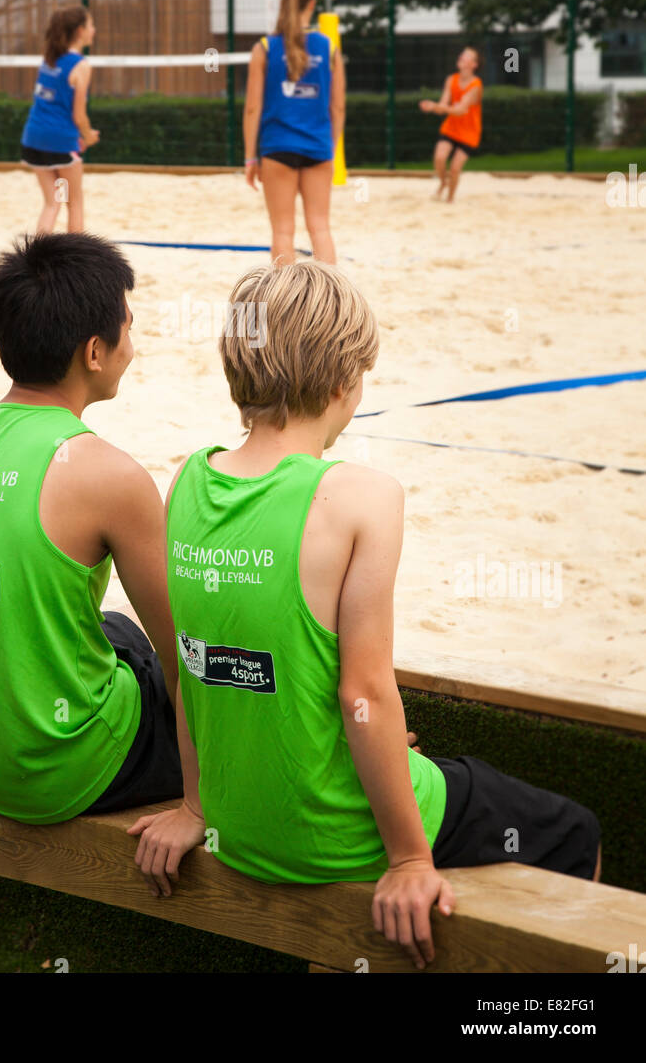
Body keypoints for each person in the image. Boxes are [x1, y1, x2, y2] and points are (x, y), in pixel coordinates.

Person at [129, 260, 602, 969]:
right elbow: (365, 692)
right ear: (344, 381)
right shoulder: (362, 496)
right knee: (574, 830)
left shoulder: (190, 480)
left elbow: (194, 666)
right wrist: (409, 858)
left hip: (238, 823)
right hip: (330, 834)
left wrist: (198, 809)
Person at [0, 232, 194, 824]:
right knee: (176, 662)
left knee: (114, 628)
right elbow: (190, 654)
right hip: (69, 766)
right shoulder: (109, 474)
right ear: (94, 352)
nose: (132, 348)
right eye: (129, 328)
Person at [243, 0, 345, 265]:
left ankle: (286, 306)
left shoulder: (264, 48)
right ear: (312, 4)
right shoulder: (329, 48)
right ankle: (329, 303)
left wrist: (250, 158)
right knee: (320, 228)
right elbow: (337, 109)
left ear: (282, 4)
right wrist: (330, 147)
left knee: (282, 232)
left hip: (278, 147)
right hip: (318, 146)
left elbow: (252, 108)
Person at [21, 6, 100, 234]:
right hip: (60, 140)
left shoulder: (49, 60)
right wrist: (88, 135)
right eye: (91, 25)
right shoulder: (81, 65)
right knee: (74, 203)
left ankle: (36, 263)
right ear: (80, 30)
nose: (93, 30)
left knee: (52, 202)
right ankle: (76, 266)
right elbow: (78, 115)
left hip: (33, 138)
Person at [419, 46, 483, 202]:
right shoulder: (451, 79)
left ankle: (450, 198)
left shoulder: (476, 86)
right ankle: (442, 184)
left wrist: (436, 107)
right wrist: (434, 107)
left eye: (467, 56)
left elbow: (460, 110)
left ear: (474, 65)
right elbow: (443, 108)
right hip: (451, 128)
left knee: (455, 168)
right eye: (462, 54)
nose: (462, 56)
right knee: (439, 158)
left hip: (469, 132)